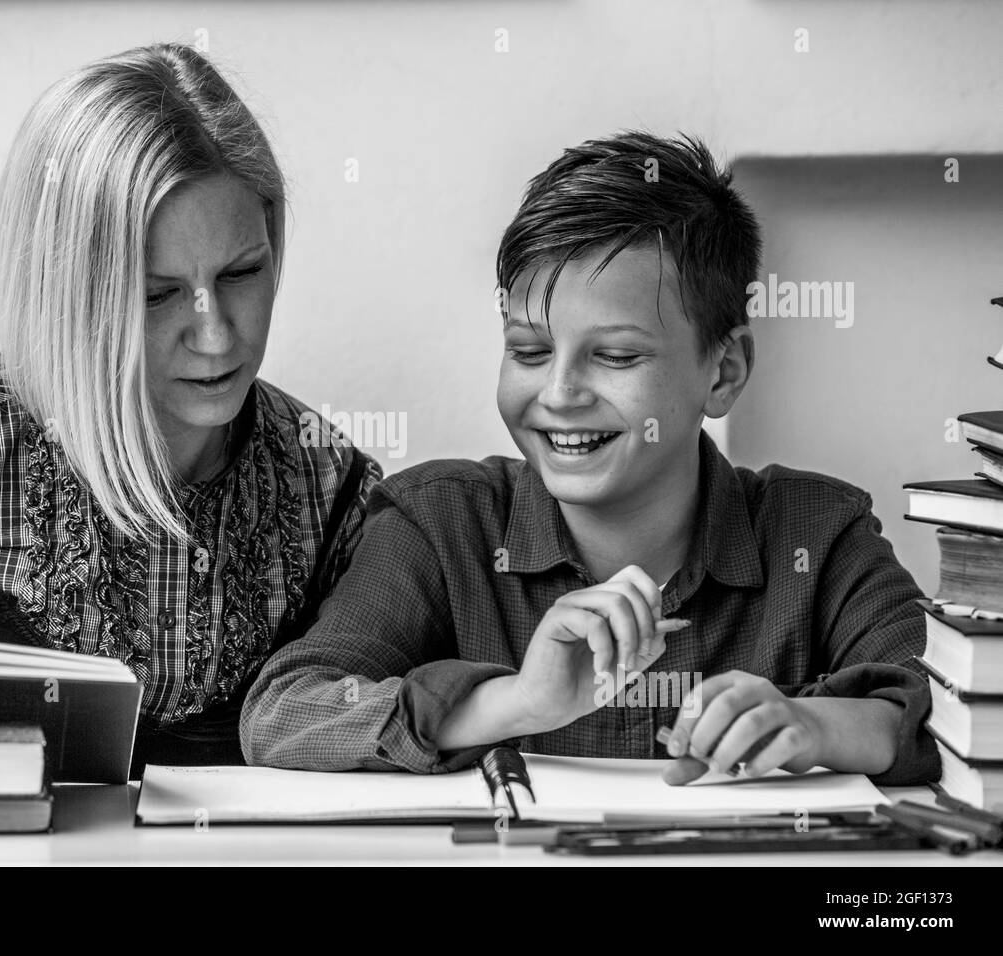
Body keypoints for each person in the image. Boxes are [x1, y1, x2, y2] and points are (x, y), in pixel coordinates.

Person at [0, 43, 381, 771]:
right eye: (157, 293)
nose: (215, 336)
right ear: (65, 291)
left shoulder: (328, 485)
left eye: (242, 273)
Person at [240, 131, 939, 787]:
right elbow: (283, 717)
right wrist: (515, 703)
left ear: (722, 372)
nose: (560, 394)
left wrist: (817, 725)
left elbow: (956, 714)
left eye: (616, 356)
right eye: (529, 351)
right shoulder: (439, 523)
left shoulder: (818, 533)